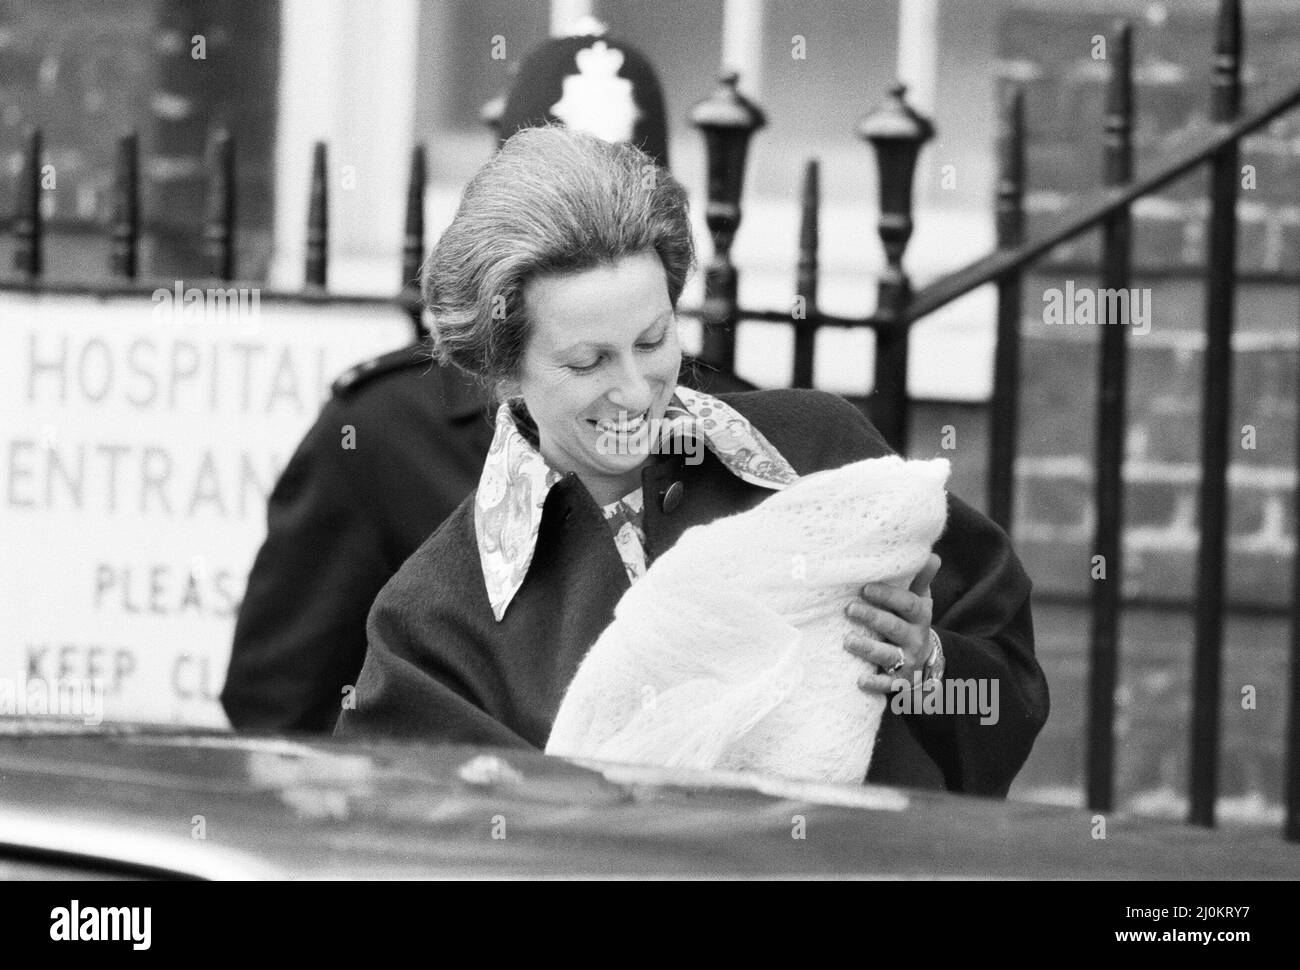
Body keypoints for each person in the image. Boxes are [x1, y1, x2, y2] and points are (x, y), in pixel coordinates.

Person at [335, 126, 1049, 798]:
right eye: (588, 361)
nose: (635, 389)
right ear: (504, 366)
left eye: (652, 340)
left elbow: (1007, 694)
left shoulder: (821, 450)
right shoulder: (431, 624)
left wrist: (927, 670)